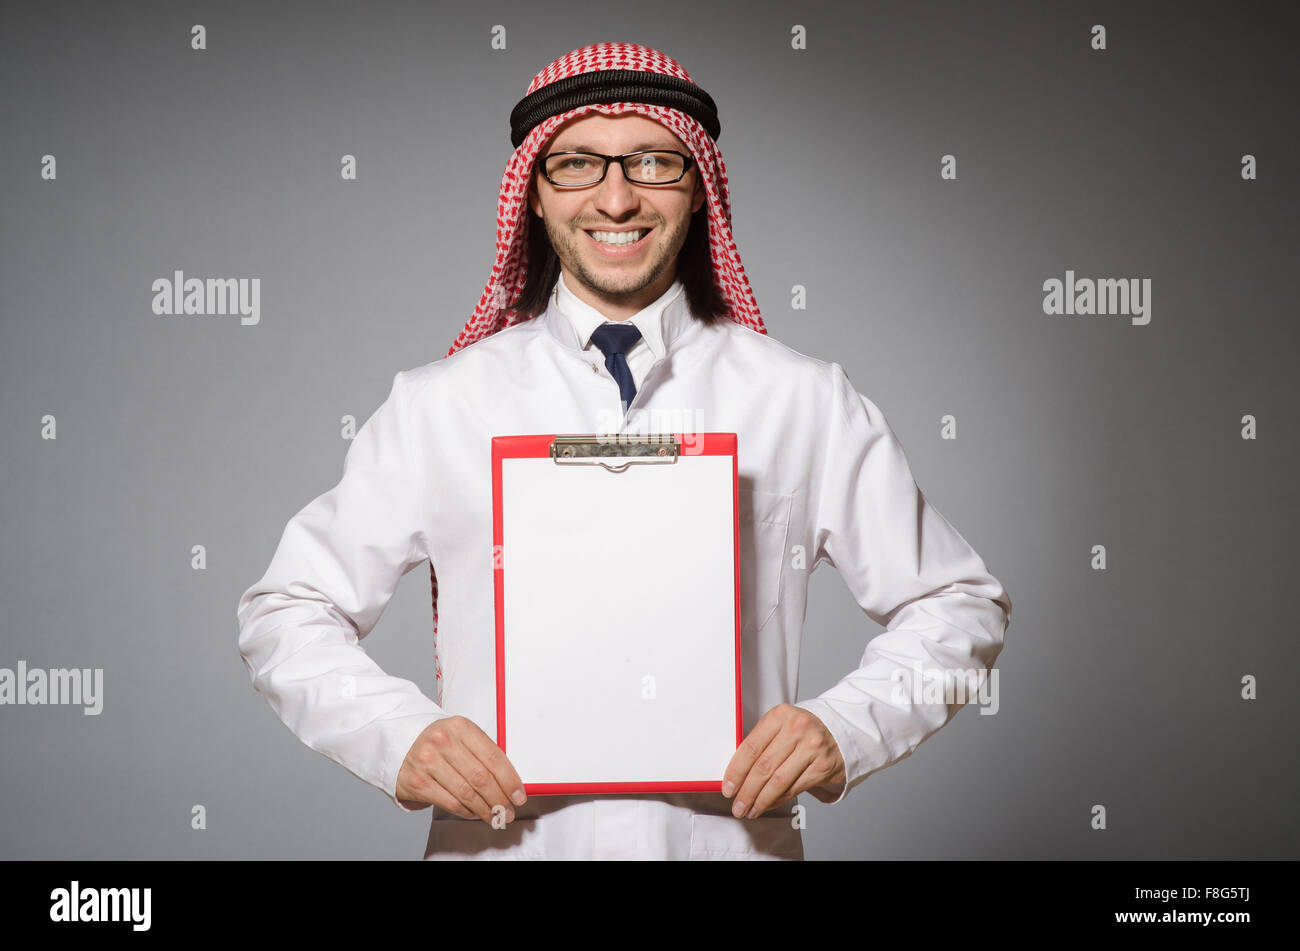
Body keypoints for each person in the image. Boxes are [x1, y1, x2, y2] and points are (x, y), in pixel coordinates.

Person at [236, 41, 1012, 860]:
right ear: (533, 193)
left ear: (700, 187)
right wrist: (399, 738)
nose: (615, 199)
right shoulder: (440, 405)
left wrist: (842, 728)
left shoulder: (803, 399)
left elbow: (959, 602)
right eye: (575, 164)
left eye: (652, 163)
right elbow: (286, 609)